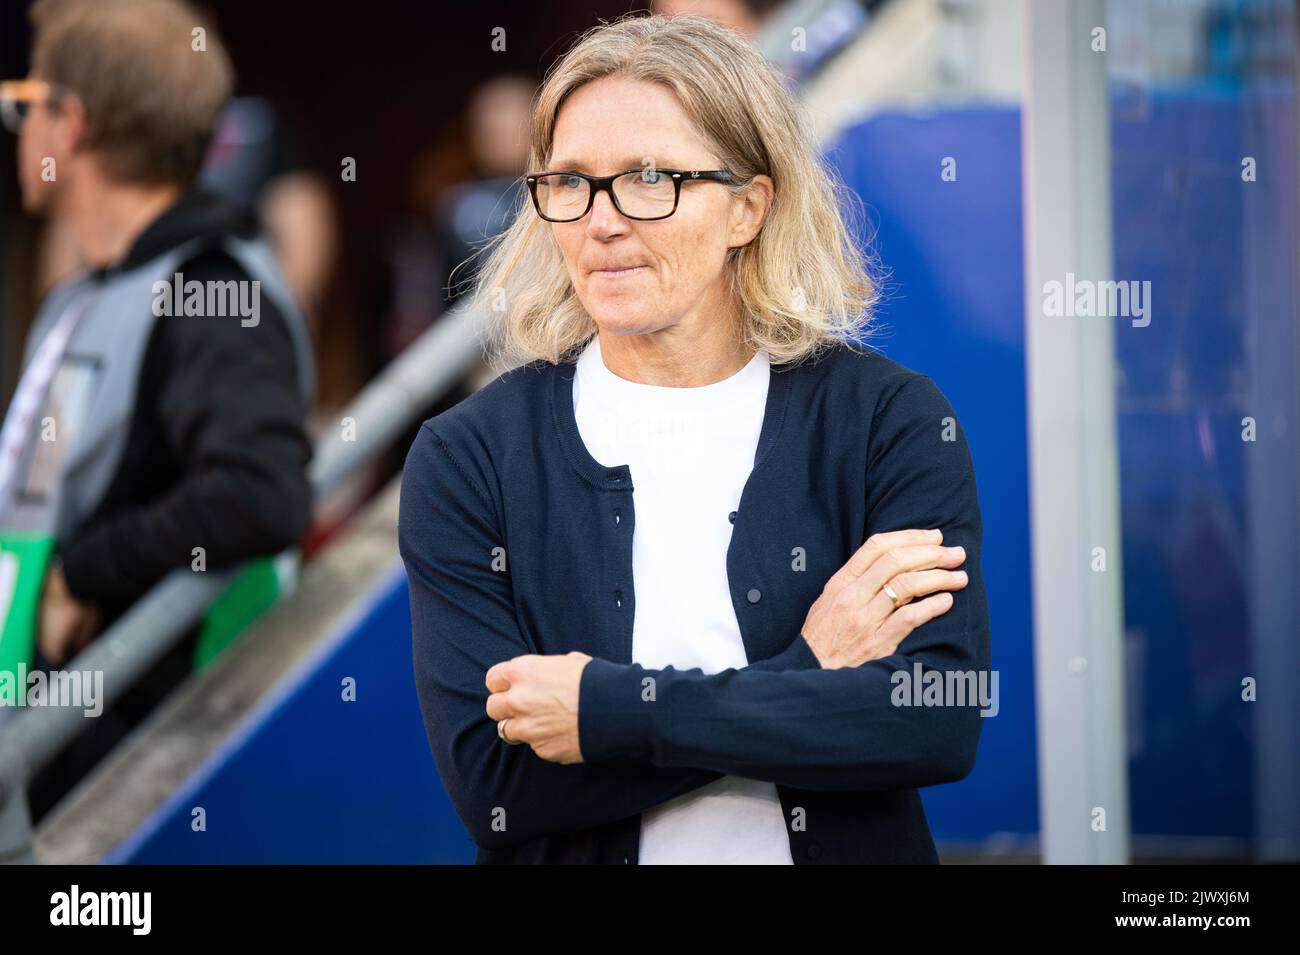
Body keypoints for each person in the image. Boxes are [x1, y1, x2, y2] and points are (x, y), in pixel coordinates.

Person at [398, 13, 989, 864]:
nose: (599, 221)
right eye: (569, 182)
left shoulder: (884, 421)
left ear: (749, 206)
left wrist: (608, 713)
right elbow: (500, 784)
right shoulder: (472, 456)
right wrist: (812, 668)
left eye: (647, 178)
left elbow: (934, 719)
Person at [0, 0, 314, 816]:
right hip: (43, 751)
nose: (17, 129)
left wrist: (84, 570)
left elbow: (261, 491)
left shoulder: (212, 288)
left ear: (69, 125)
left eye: (23, 103)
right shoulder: (89, 288)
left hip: (127, 785)